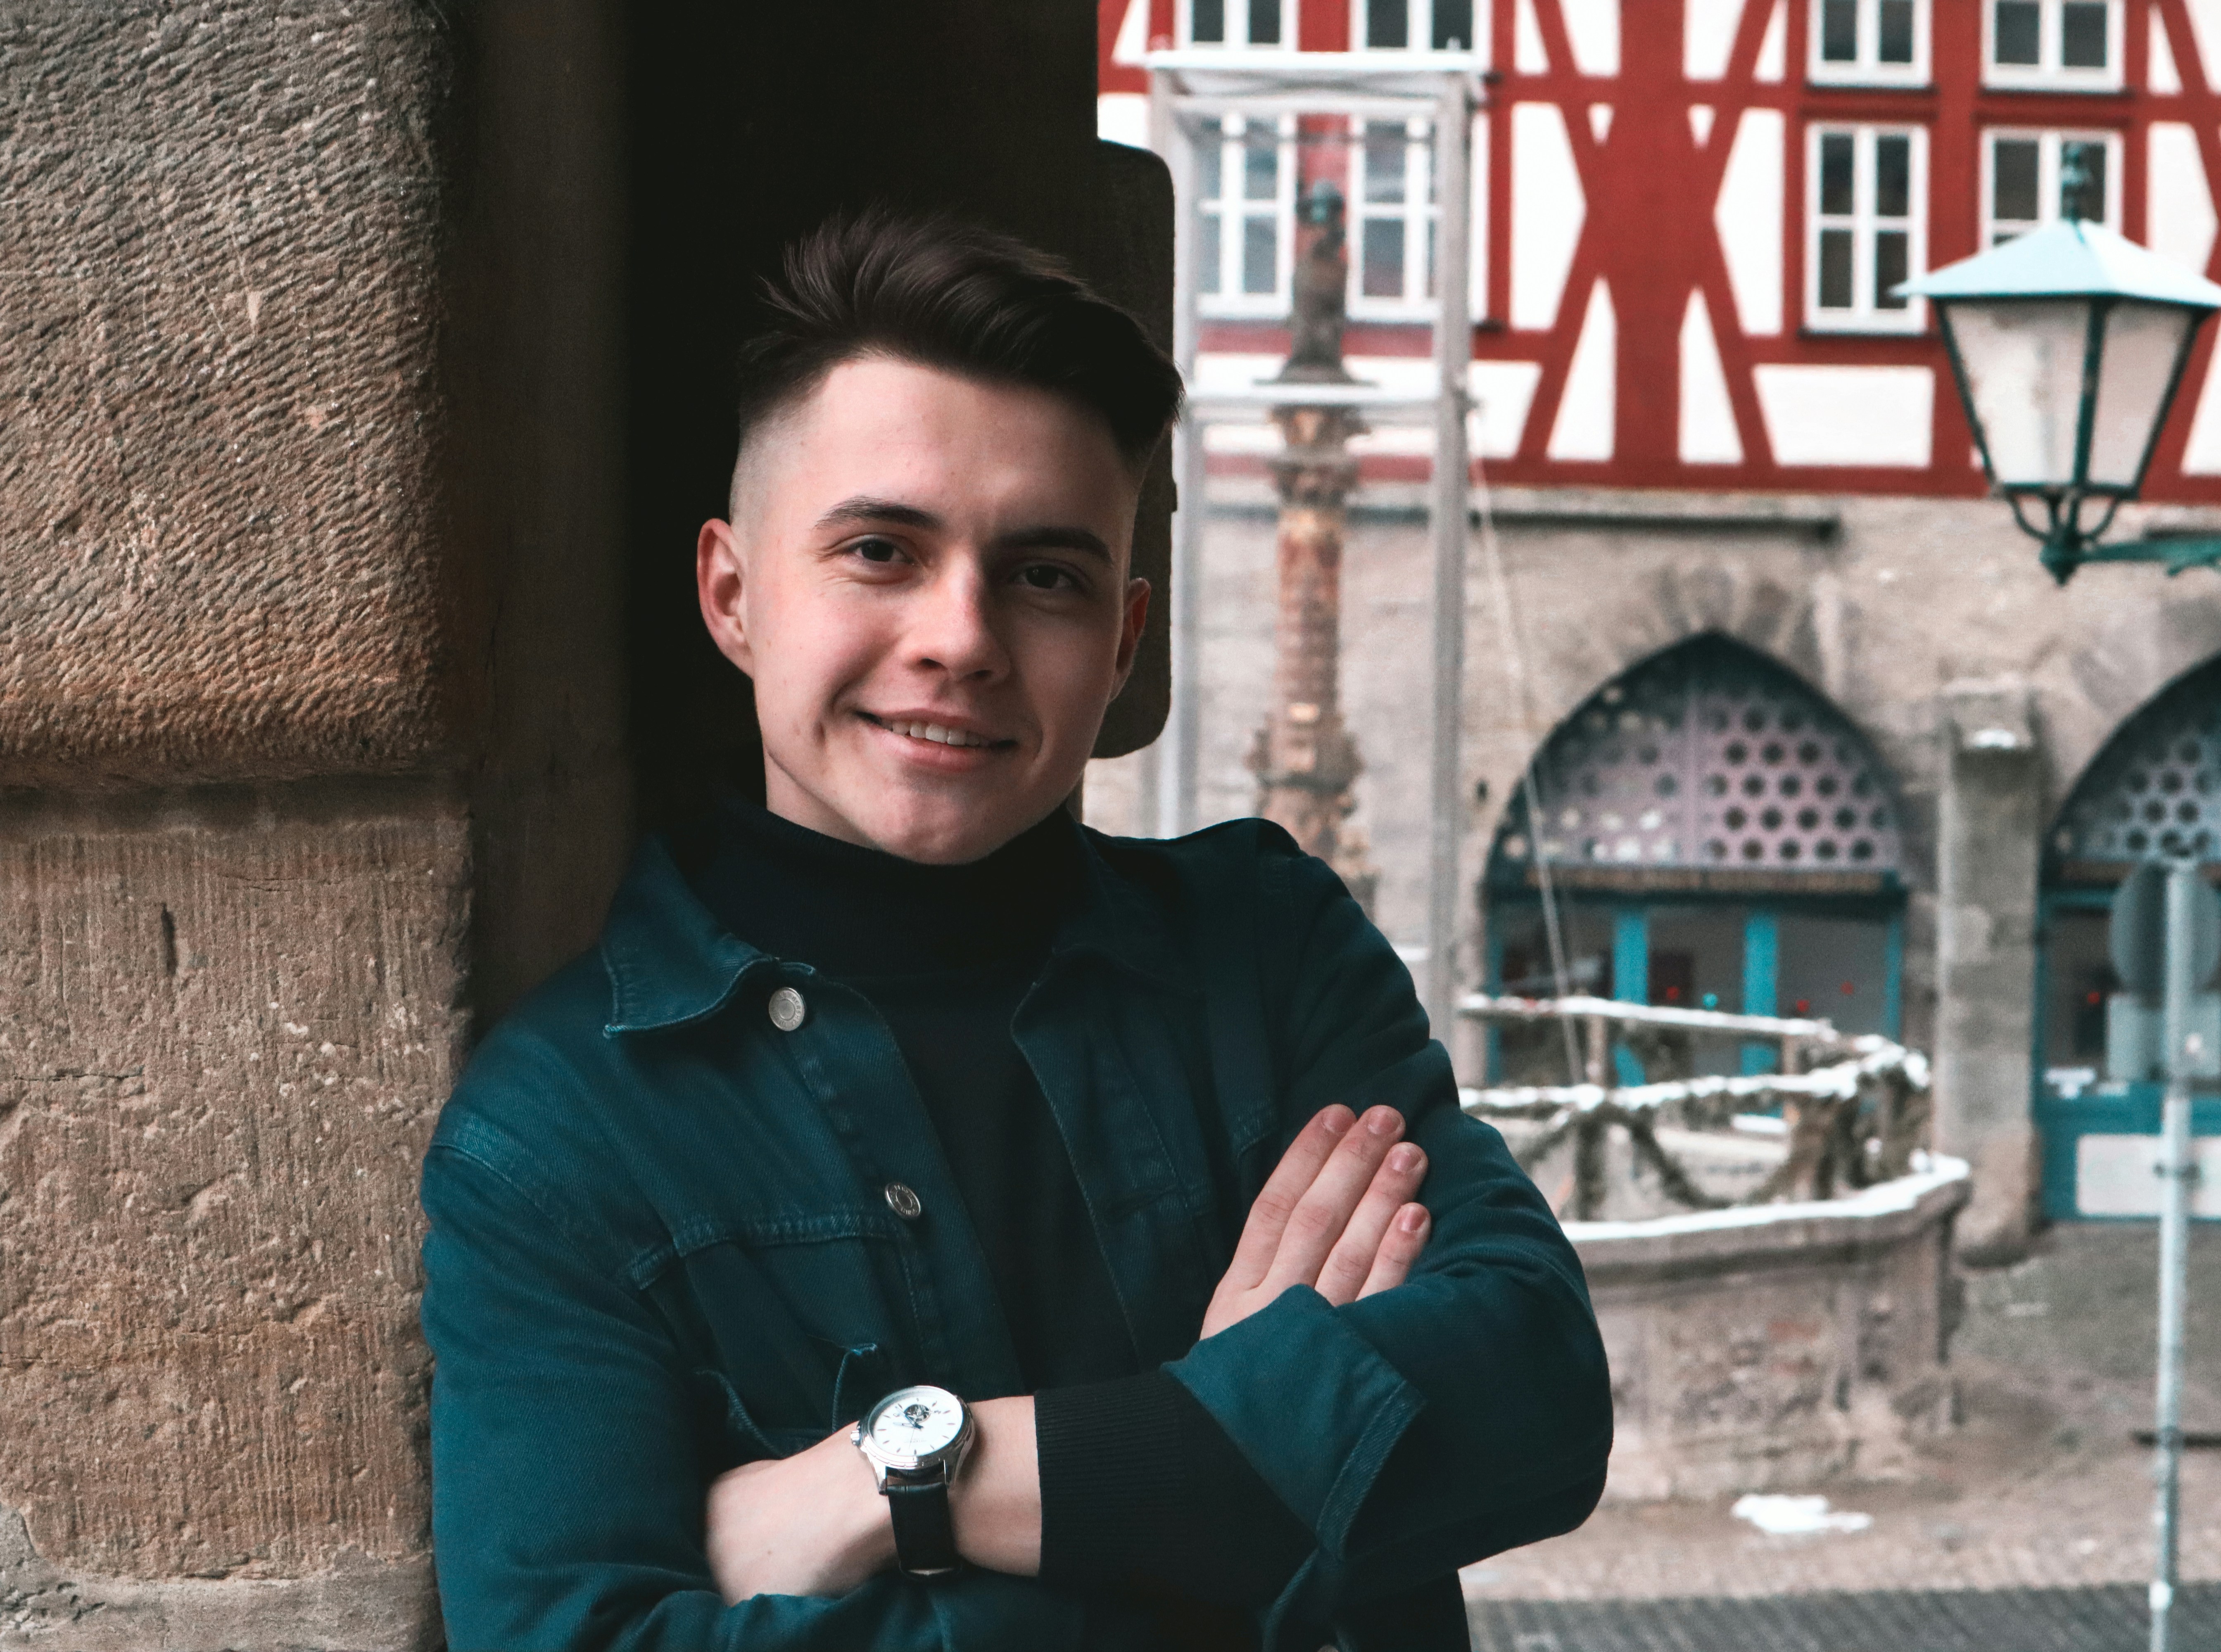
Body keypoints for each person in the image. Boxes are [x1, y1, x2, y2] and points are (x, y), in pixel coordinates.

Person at [420, 211, 1611, 1652]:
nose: (964, 637)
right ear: (734, 594)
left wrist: (906, 1481)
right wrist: (1217, 1489)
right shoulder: (560, 1136)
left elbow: (1533, 1395)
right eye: (880, 550)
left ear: (1121, 640)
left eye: (1045, 573)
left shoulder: (1265, 949)